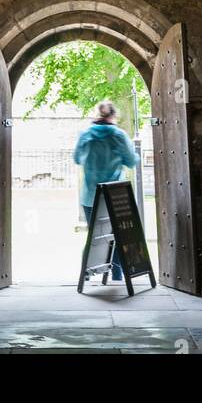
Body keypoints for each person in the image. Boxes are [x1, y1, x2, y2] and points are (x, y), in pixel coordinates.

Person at [73, 99, 139, 283]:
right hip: (114, 195)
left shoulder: (85, 134)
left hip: (90, 195)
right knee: (118, 235)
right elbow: (131, 161)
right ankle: (117, 278)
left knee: (94, 235)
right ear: (113, 115)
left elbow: (77, 158)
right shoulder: (119, 135)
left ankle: (85, 274)